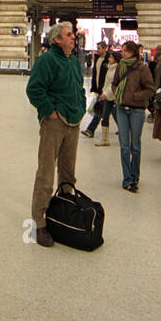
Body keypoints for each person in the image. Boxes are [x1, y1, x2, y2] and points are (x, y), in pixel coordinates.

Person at [25, 22, 87, 246]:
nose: (73, 37)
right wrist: (49, 111)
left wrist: (81, 106)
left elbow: (79, 87)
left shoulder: (73, 61)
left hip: (73, 121)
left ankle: (64, 210)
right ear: (57, 40)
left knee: (68, 171)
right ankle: (39, 223)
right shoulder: (48, 60)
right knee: (46, 171)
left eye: (73, 34)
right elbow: (34, 89)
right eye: (69, 35)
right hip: (55, 123)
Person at [112, 41, 156, 192]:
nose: (122, 53)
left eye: (125, 51)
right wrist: (118, 92)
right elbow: (115, 83)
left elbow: (151, 89)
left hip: (137, 110)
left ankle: (135, 174)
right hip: (121, 109)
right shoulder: (120, 66)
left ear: (133, 52)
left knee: (135, 146)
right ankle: (127, 179)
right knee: (124, 146)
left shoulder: (142, 69)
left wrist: (135, 96)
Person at [81, 41, 112, 139]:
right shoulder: (98, 59)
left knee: (99, 110)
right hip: (100, 89)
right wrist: (94, 87)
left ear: (104, 48)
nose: (97, 50)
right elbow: (96, 75)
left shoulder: (109, 60)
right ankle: (123, 128)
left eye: (99, 48)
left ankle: (90, 130)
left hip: (106, 90)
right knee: (113, 111)